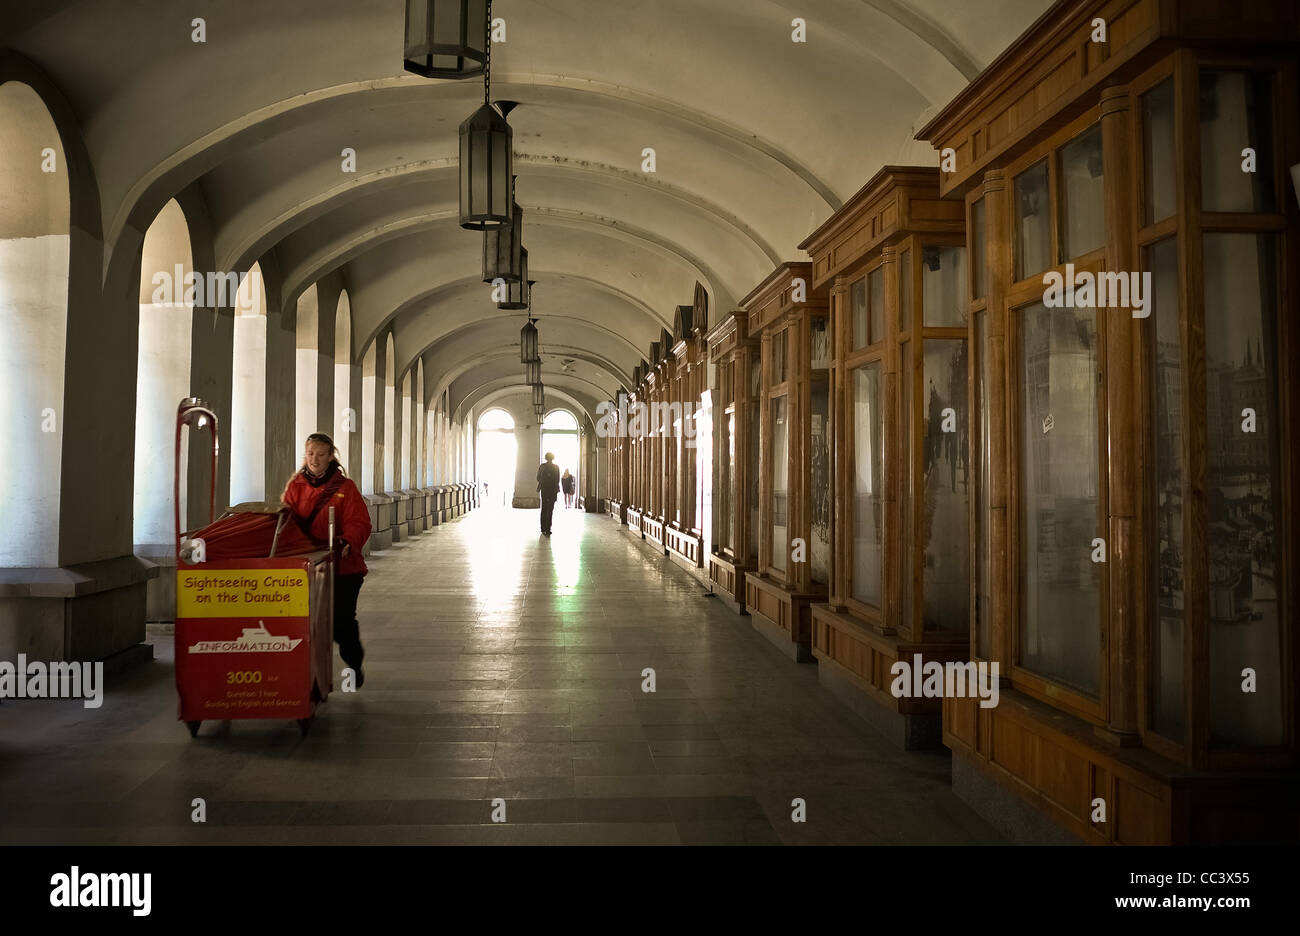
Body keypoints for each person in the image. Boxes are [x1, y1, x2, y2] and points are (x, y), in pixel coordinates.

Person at [281, 432, 373, 688]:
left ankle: (354, 663)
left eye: (321, 454)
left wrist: (347, 540)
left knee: (341, 622)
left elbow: (360, 521)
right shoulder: (295, 486)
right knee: (307, 622)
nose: (315, 459)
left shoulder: (345, 488)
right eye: (311, 454)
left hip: (343, 568)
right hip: (308, 566)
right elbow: (285, 520)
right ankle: (308, 678)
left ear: (331, 456)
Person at [536, 452, 560, 535]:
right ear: (553, 458)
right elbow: (557, 480)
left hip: (544, 490)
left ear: (546, 458)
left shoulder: (542, 466)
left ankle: (542, 528)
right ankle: (548, 528)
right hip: (553, 491)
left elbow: (538, 478)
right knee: (550, 510)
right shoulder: (556, 467)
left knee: (544, 509)